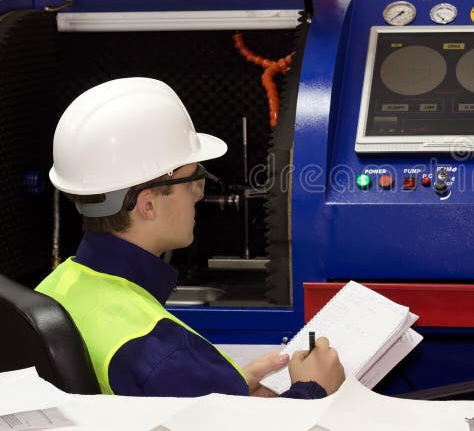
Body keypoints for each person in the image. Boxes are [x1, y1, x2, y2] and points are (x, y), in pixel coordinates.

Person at [37, 77, 345, 398]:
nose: (198, 196)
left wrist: (226, 385)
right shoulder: (162, 353)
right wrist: (312, 389)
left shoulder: (57, 287)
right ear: (148, 205)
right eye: (193, 182)